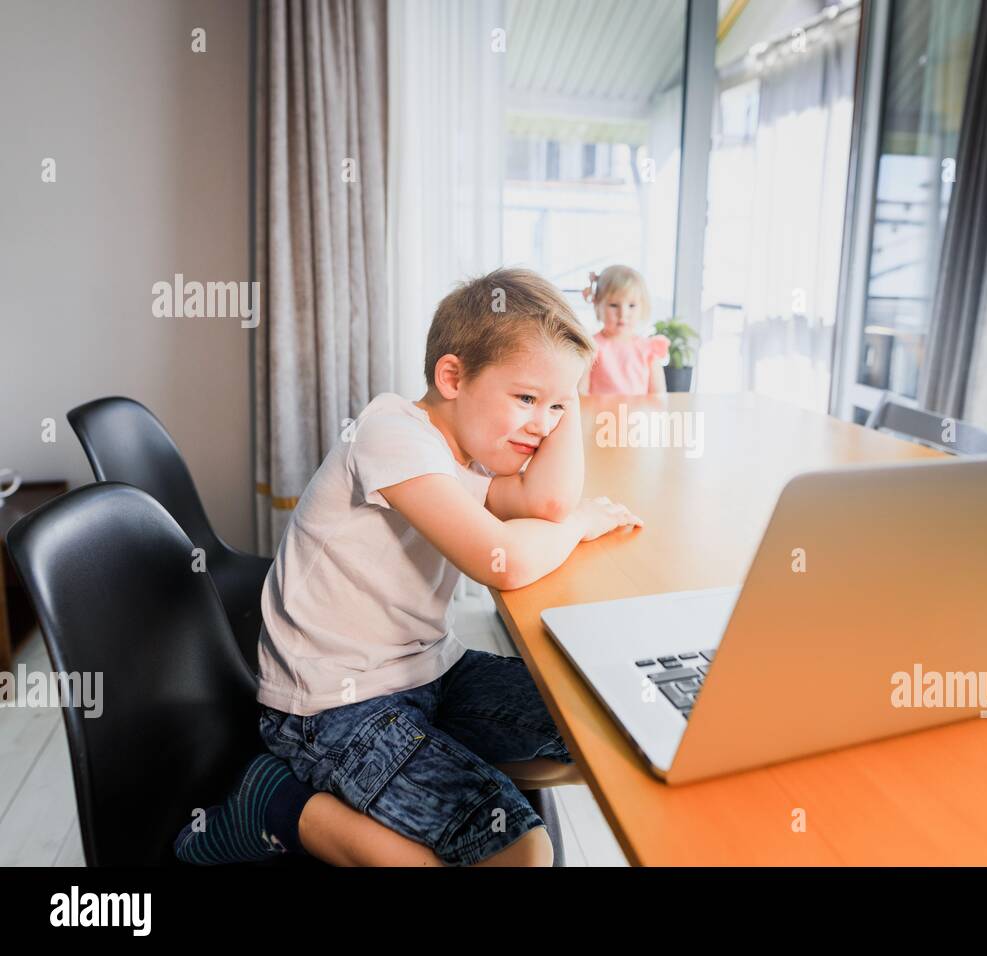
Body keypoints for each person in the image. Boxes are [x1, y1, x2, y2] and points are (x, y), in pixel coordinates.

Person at [175, 268, 642, 866]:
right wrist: (580, 525)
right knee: (524, 852)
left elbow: (546, 502)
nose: (543, 423)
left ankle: (416, 759)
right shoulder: (391, 433)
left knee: (598, 718)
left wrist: (565, 389)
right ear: (451, 377)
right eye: (526, 398)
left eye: (555, 406)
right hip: (332, 707)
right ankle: (275, 805)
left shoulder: (472, 452)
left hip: (426, 672)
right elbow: (503, 559)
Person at [578, 265, 670, 396]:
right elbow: (581, 393)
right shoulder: (592, 347)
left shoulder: (648, 349)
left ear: (643, 306)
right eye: (614, 305)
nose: (623, 313)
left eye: (631, 305)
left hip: (638, 416)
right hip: (600, 416)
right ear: (598, 304)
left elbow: (658, 396)